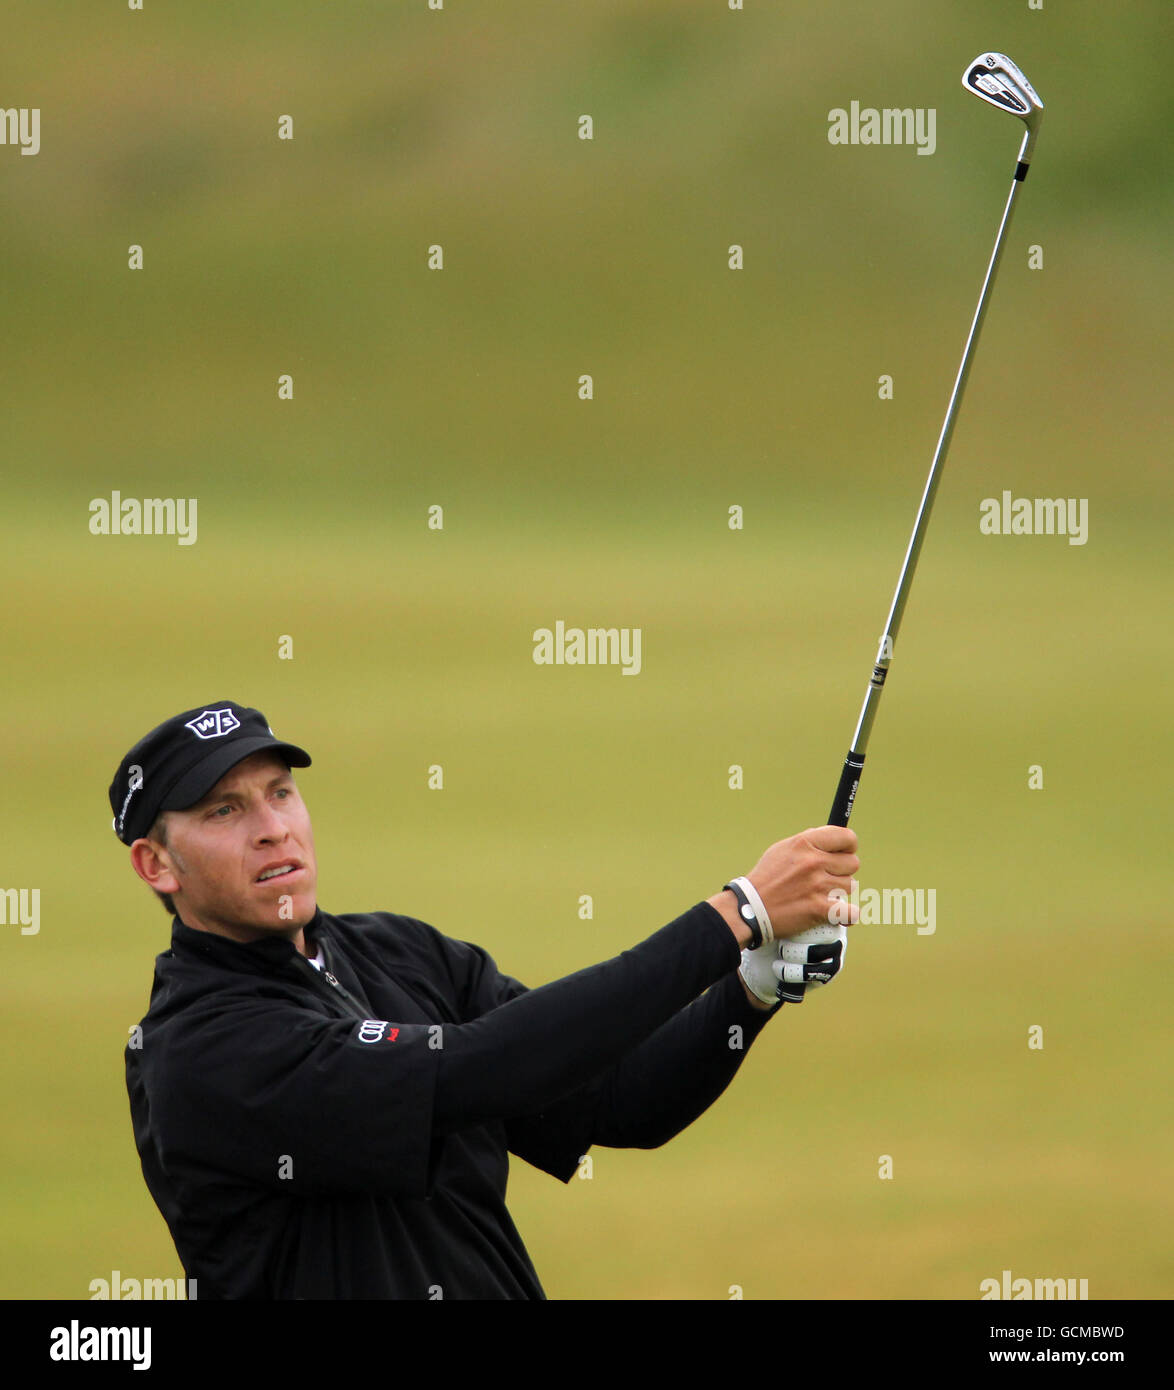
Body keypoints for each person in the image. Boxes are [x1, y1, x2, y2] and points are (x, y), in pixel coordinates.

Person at [111, 699, 859, 1299]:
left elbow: (622, 1102)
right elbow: (476, 1070)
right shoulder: (200, 1048)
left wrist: (750, 989)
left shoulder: (397, 951)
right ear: (155, 865)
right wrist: (738, 915)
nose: (273, 829)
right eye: (225, 811)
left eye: (280, 793)